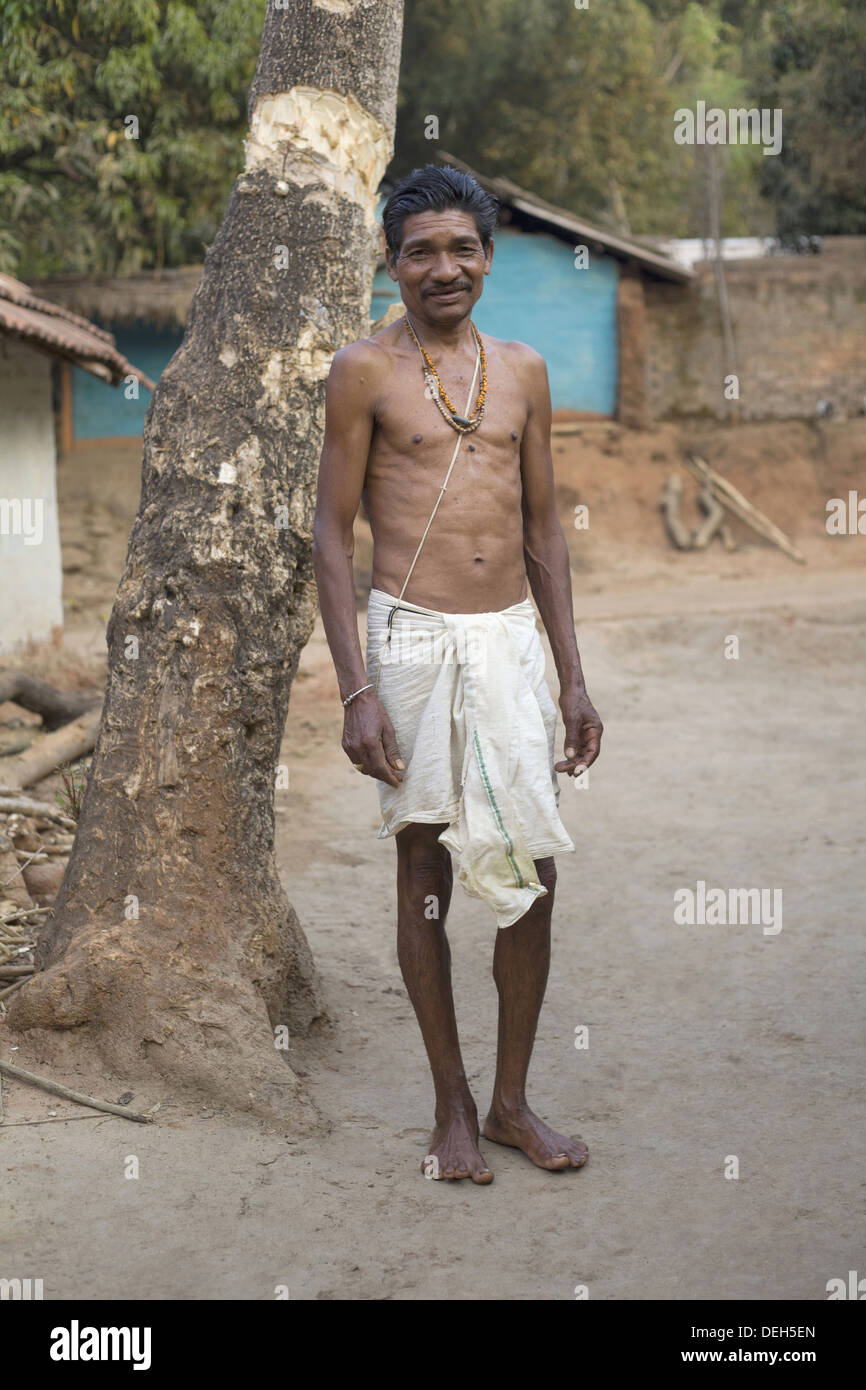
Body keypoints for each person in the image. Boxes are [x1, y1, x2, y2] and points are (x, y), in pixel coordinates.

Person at [313, 165, 603, 1184]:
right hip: (411, 642)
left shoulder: (521, 369)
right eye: (421, 250)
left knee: (533, 871)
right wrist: (353, 689)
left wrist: (570, 676)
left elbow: (542, 531)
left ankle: (513, 1099)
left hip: (509, 640)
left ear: (487, 255)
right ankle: (451, 1103)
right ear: (392, 263)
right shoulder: (362, 371)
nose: (444, 268)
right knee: (423, 868)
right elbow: (329, 534)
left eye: (461, 248)